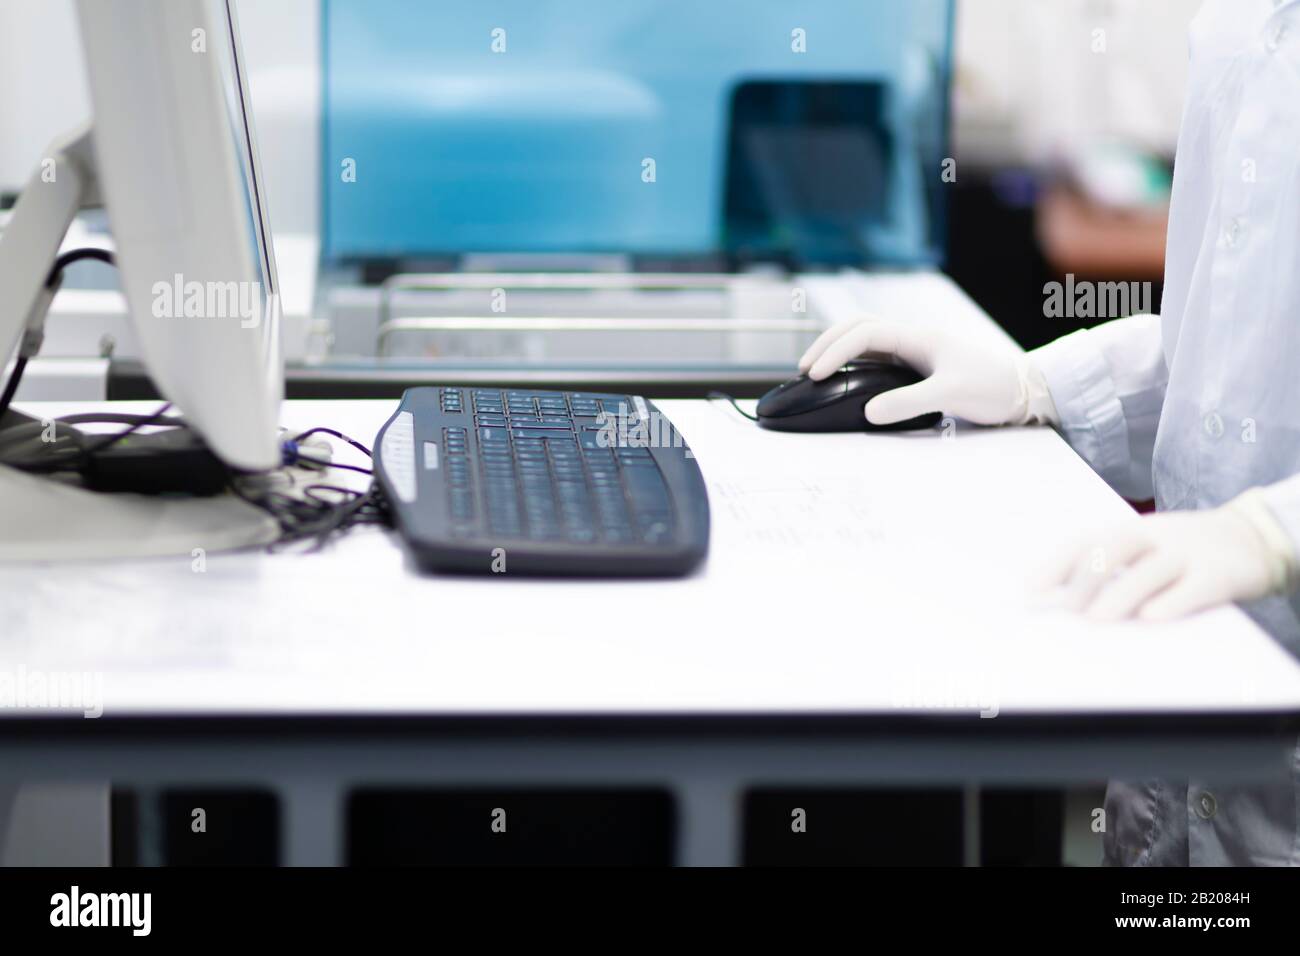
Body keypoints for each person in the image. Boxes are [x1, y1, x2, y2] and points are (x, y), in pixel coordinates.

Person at [800, 0, 1300, 866]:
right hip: (1176, 755)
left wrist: (1272, 535)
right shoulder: (1240, 28)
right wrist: (1037, 385)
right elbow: (1219, 365)